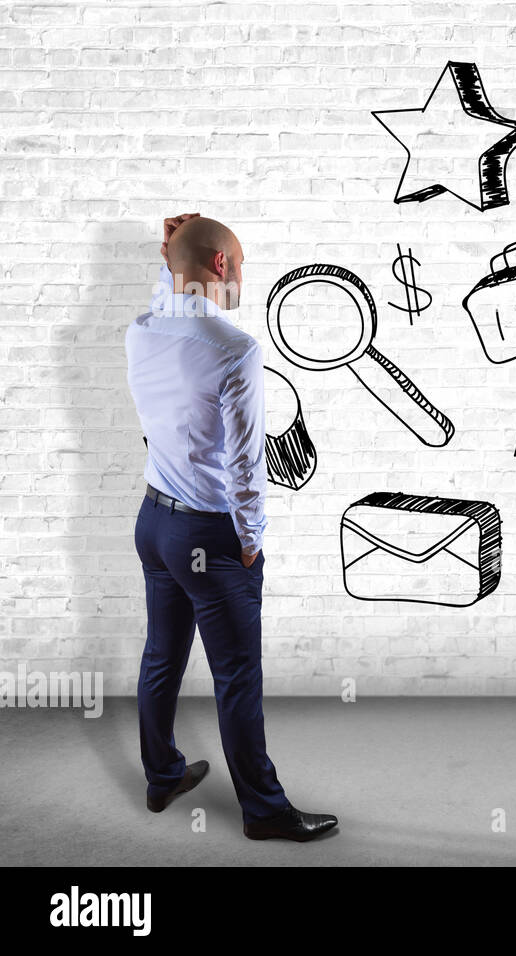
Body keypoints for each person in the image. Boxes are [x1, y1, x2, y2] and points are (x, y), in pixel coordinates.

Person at [125, 213, 337, 842]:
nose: (243, 273)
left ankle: (162, 774)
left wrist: (172, 256)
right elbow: (245, 463)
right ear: (221, 265)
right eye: (239, 262)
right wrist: (251, 541)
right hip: (209, 538)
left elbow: (168, 297)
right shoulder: (236, 349)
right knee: (237, 675)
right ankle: (265, 811)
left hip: (153, 524)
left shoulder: (142, 330)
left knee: (162, 656)